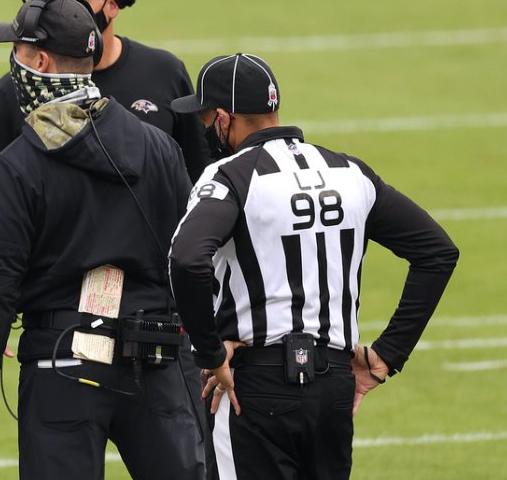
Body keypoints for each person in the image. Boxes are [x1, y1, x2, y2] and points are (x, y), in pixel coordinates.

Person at [167, 53, 459, 480]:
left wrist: (209, 353)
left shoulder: (230, 176)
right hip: (333, 382)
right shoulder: (348, 171)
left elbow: (185, 257)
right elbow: (438, 252)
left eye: (208, 116)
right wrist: (386, 354)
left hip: (255, 384)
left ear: (225, 118)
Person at [0, 0, 206, 480]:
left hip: (61, 365)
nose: (14, 63)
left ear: (43, 61)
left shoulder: (18, 165)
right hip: (153, 359)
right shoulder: (159, 146)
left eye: (20, 52)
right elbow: (189, 257)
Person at [0, 0, 209, 181]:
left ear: (112, 4)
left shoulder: (165, 72)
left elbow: (197, 175)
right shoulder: (11, 90)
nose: (61, 7)